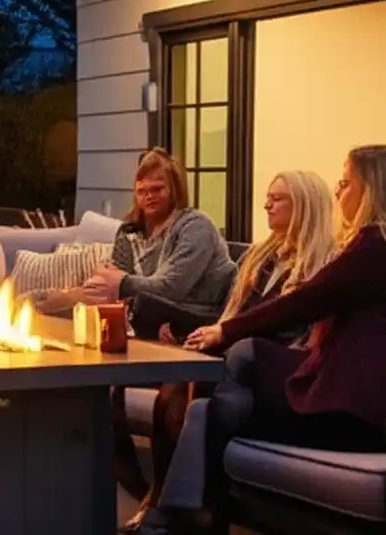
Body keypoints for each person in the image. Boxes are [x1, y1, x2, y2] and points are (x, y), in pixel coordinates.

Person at [177, 145, 386, 533]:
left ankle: (186, 519)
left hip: (367, 412)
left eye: (345, 183)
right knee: (229, 379)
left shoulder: (378, 247)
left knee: (217, 396)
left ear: (371, 191)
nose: (338, 193)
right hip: (360, 394)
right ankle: (187, 518)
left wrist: (226, 329)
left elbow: (307, 300)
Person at [122, 171, 337, 533]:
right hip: (231, 354)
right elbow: (232, 316)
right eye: (267, 196)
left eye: (277, 198)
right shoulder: (260, 257)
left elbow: (293, 331)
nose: (266, 204)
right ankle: (165, 507)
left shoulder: (324, 264)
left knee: (187, 395)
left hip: (270, 367)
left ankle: (166, 511)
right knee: (175, 390)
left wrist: (218, 337)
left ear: (304, 204)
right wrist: (195, 334)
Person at [85, 148, 235, 502]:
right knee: (95, 385)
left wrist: (121, 283)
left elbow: (170, 286)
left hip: (200, 328)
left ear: (175, 190)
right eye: (142, 190)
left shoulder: (194, 226)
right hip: (149, 329)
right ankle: (136, 489)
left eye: (158, 188)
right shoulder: (130, 231)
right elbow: (118, 288)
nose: (149, 196)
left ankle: (161, 500)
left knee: (147, 311)